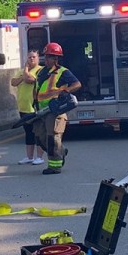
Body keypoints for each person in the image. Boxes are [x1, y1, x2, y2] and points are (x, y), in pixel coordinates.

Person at [32, 42, 82, 174]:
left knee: (52, 138)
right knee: (40, 137)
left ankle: (54, 166)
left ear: (56, 58)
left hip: (54, 111)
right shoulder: (41, 72)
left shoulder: (63, 72)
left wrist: (66, 91)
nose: (46, 59)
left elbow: (77, 84)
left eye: (49, 57)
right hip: (40, 111)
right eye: (46, 56)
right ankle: (61, 151)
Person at [10, 49, 44, 164]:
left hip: (34, 107)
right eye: (29, 57)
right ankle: (29, 157)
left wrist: (25, 70)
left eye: (34, 57)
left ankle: (39, 156)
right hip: (23, 107)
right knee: (28, 133)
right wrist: (23, 76)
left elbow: (30, 80)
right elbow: (13, 82)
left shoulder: (40, 71)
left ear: (38, 58)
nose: (31, 59)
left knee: (38, 132)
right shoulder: (21, 72)